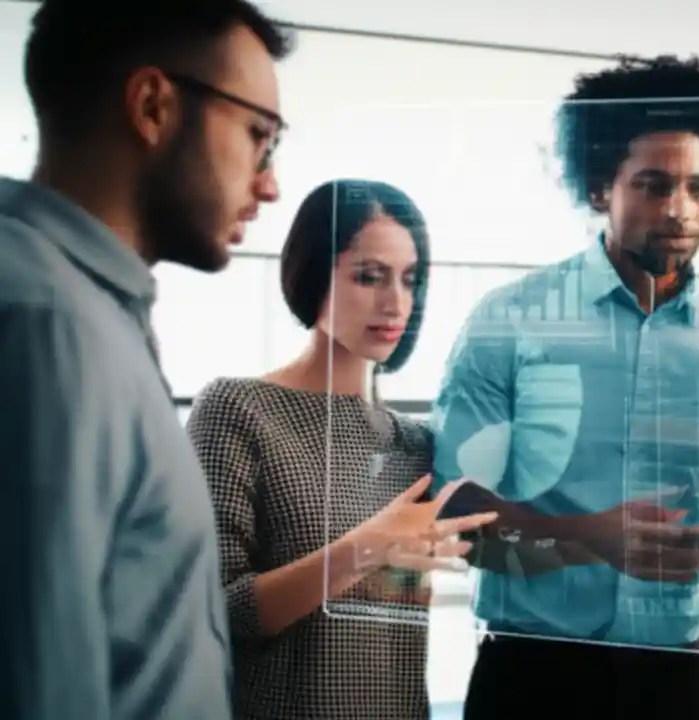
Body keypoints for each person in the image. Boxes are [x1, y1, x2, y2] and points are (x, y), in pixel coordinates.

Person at [430, 55, 699, 720]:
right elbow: (460, 522)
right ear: (602, 187)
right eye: (655, 186)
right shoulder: (507, 322)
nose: (681, 211)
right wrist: (587, 536)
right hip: (533, 680)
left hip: (678, 683)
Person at [0, 1, 291, 718]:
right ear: (154, 106)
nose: (270, 182)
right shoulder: (47, 324)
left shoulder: (88, 313)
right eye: (259, 135)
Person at [186, 179, 497, 720]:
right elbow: (211, 610)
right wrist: (365, 546)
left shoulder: (418, 444)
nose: (395, 302)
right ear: (313, 272)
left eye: (410, 280)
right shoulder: (238, 410)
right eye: (368, 276)